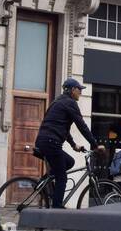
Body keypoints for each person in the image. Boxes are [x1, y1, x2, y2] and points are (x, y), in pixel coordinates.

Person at [34, 77, 97, 208]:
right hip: (51, 143)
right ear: (73, 89)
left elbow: (63, 129)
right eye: (79, 89)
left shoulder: (57, 102)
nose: (81, 92)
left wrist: (73, 145)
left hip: (43, 141)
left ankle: (43, 182)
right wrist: (95, 145)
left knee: (69, 162)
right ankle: (57, 208)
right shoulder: (70, 103)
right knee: (62, 177)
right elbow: (82, 125)